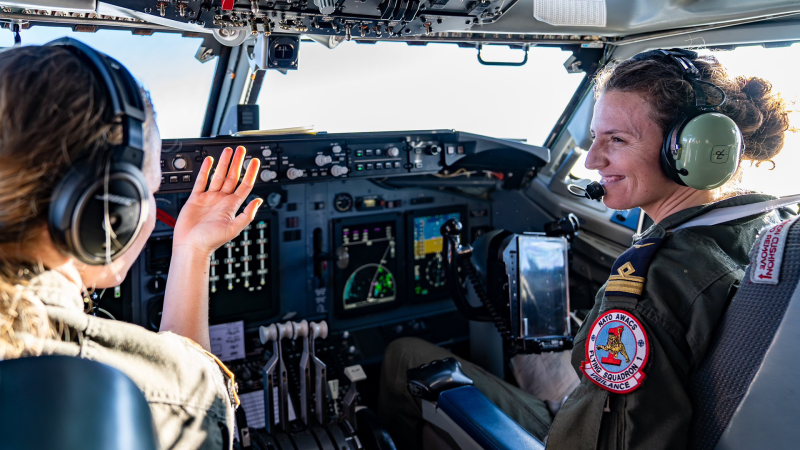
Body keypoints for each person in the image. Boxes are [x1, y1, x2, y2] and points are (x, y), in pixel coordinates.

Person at [378, 48, 795, 450]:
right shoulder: (772, 232)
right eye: (595, 138)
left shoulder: (650, 281)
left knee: (404, 356)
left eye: (616, 140)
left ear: (689, 150)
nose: (594, 160)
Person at [0, 43, 262, 449]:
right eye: (149, 191)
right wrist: (193, 253)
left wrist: (191, 249)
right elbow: (195, 393)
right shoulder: (146, 392)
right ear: (105, 209)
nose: (151, 211)